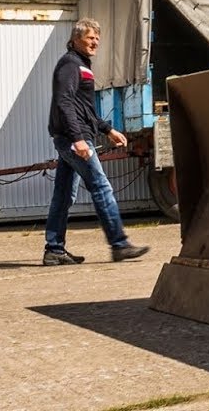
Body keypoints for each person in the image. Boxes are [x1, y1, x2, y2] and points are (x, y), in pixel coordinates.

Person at [43, 18, 150, 266]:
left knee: (63, 196)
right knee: (101, 187)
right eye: (91, 38)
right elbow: (65, 102)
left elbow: (85, 109)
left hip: (74, 137)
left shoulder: (82, 65)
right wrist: (78, 139)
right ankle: (119, 244)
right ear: (76, 38)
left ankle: (54, 249)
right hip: (73, 139)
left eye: (97, 39)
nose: (95, 43)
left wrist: (108, 129)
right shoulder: (70, 64)